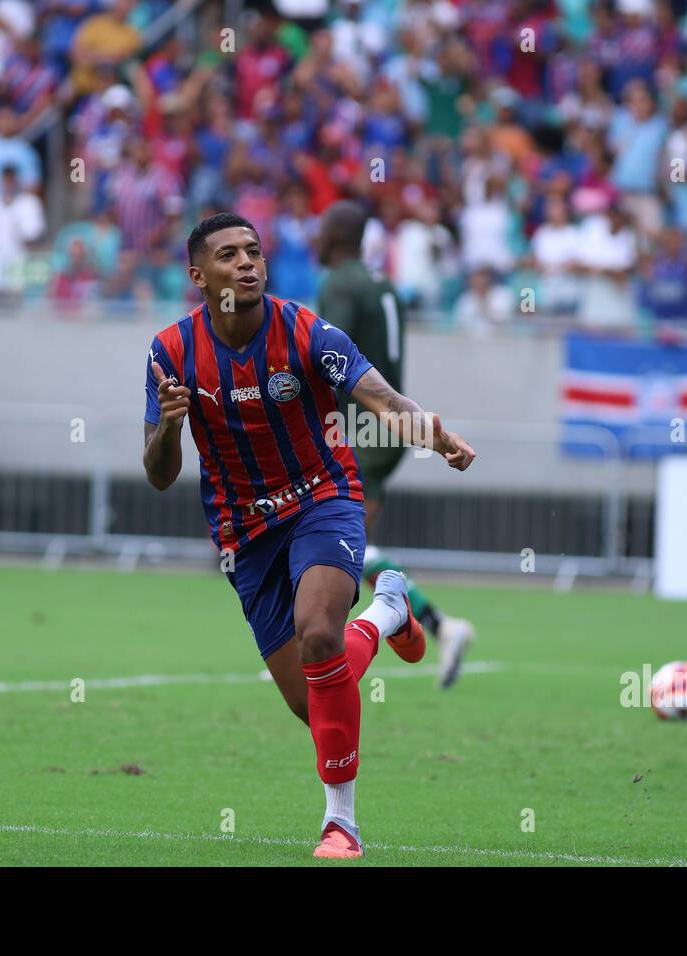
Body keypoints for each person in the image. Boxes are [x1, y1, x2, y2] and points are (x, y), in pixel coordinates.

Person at [142, 213, 475, 858]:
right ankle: (387, 612)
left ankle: (341, 822)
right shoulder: (170, 353)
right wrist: (168, 428)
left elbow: (382, 400)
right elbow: (158, 476)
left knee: (319, 631)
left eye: (254, 252)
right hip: (244, 531)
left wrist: (437, 436)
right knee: (315, 702)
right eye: (229, 254)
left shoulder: (305, 331)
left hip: (324, 496)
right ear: (197, 275)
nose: (246, 263)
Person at [316, 199, 477, 688]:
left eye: (322, 230)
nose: (314, 238)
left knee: (330, 538)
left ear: (336, 235)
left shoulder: (340, 283)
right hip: (388, 426)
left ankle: (426, 625)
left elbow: (326, 353)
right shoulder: (383, 285)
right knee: (344, 542)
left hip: (355, 428)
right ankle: (439, 626)